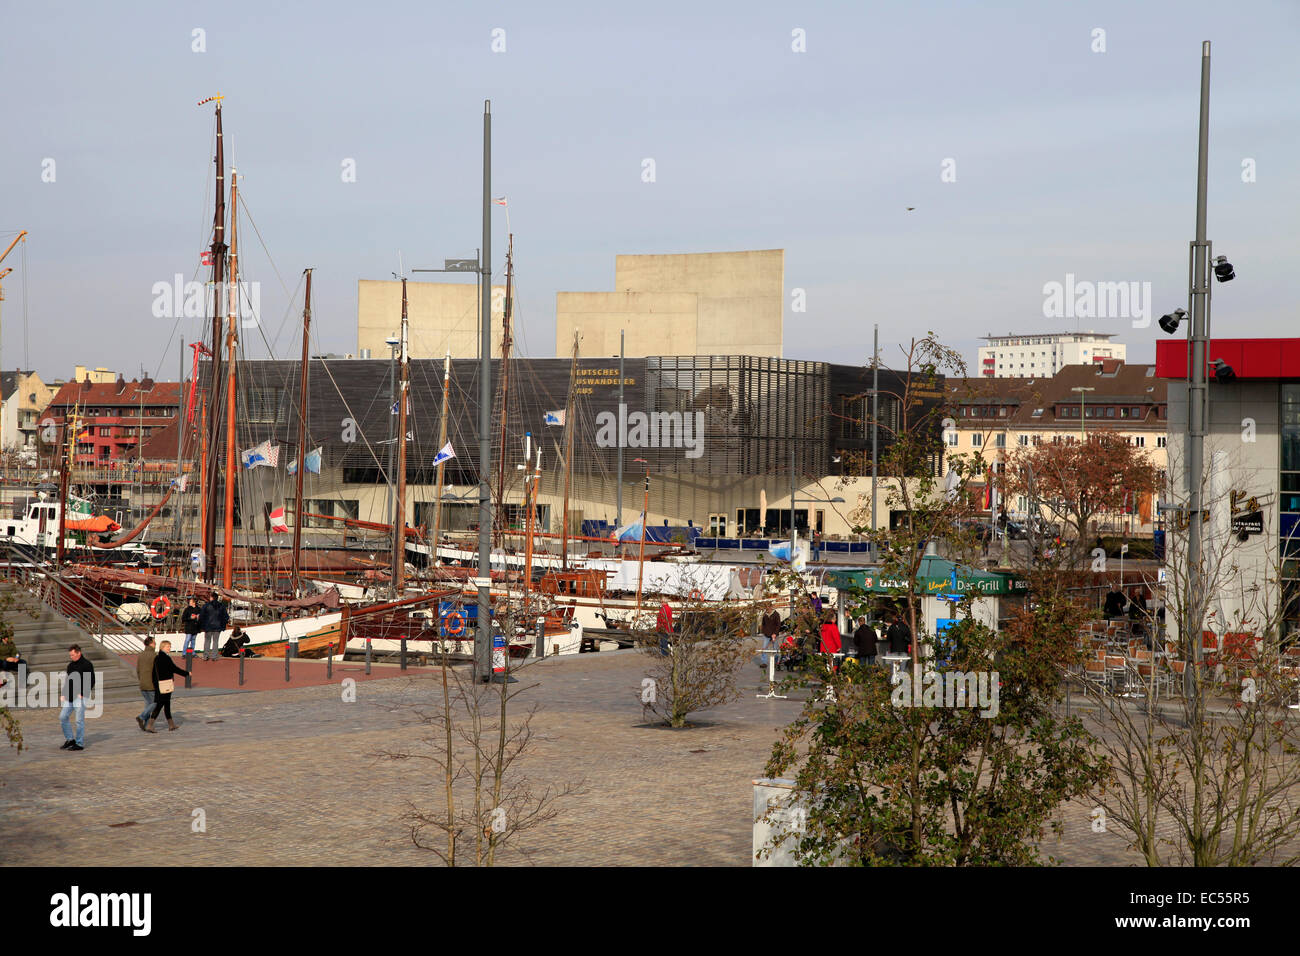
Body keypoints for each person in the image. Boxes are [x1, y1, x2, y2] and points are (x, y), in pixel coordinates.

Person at [146, 640, 190, 733]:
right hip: (165, 685)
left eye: (170, 646)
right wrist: (186, 673)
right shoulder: (165, 658)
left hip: (159, 685)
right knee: (160, 705)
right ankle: (150, 725)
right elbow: (174, 669)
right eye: (167, 647)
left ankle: (171, 724)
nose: (169, 648)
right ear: (162, 647)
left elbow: (154, 673)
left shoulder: (157, 658)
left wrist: (155, 684)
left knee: (166, 705)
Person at [60, 645, 95, 751]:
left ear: (79, 653)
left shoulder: (87, 664)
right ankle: (70, 739)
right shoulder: (70, 665)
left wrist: (83, 693)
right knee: (62, 717)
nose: (71, 657)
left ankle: (79, 743)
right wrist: (64, 693)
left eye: (73, 655)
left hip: (80, 696)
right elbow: (68, 681)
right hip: (70, 696)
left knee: (79, 720)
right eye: (70, 655)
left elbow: (91, 680)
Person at [135, 636, 157, 732]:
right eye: (154, 643)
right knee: (156, 702)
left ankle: (146, 724)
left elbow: (138, 670)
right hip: (151, 684)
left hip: (143, 683)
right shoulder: (154, 655)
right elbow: (156, 671)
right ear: (151, 644)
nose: (155, 645)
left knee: (148, 704)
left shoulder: (141, 655)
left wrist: (141, 679)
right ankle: (142, 716)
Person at [199, 596, 229, 662]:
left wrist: (202, 625)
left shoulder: (206, 605)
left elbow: (201, 616)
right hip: (218, 627)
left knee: (207, 641)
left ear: (211, 598)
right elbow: (226, 616)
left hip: (208, 627)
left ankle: (205, 656)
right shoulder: (221, 606)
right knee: (215, 642)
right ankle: (214, 656)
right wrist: (222, 624)